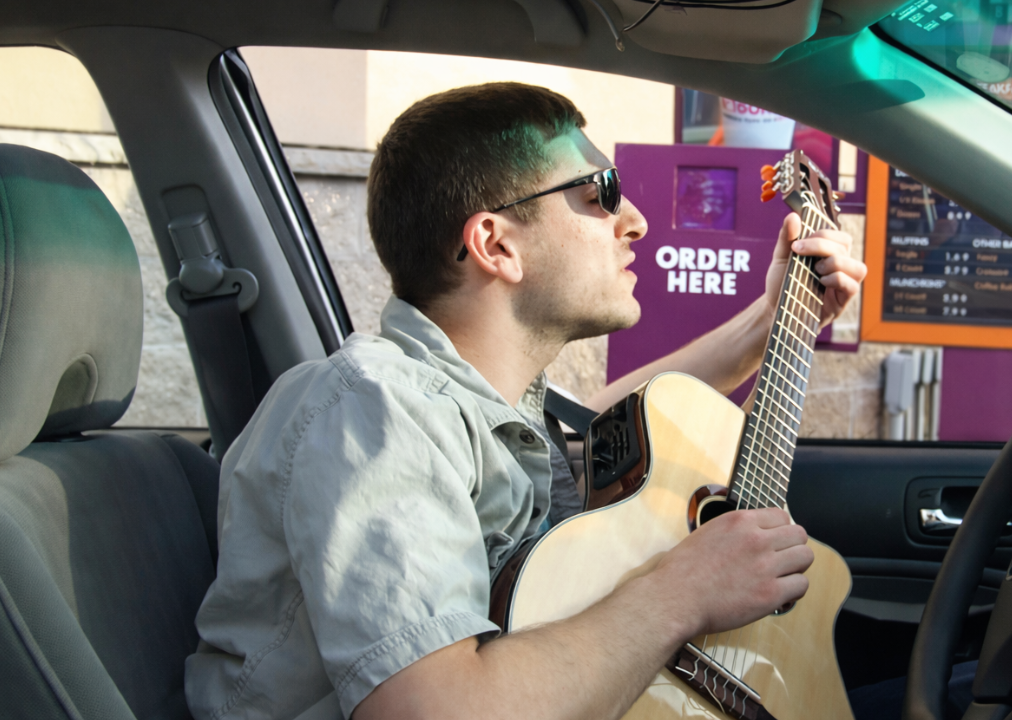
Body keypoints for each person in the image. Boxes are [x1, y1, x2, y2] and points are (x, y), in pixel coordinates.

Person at [185, 82, 868, 720]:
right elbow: (437, 708)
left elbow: (618, 423)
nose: (635, 221)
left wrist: (772, 320)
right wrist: (683, 590)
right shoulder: (375, 407)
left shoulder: (493, 415)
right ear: (495, 244)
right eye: (602, 191)